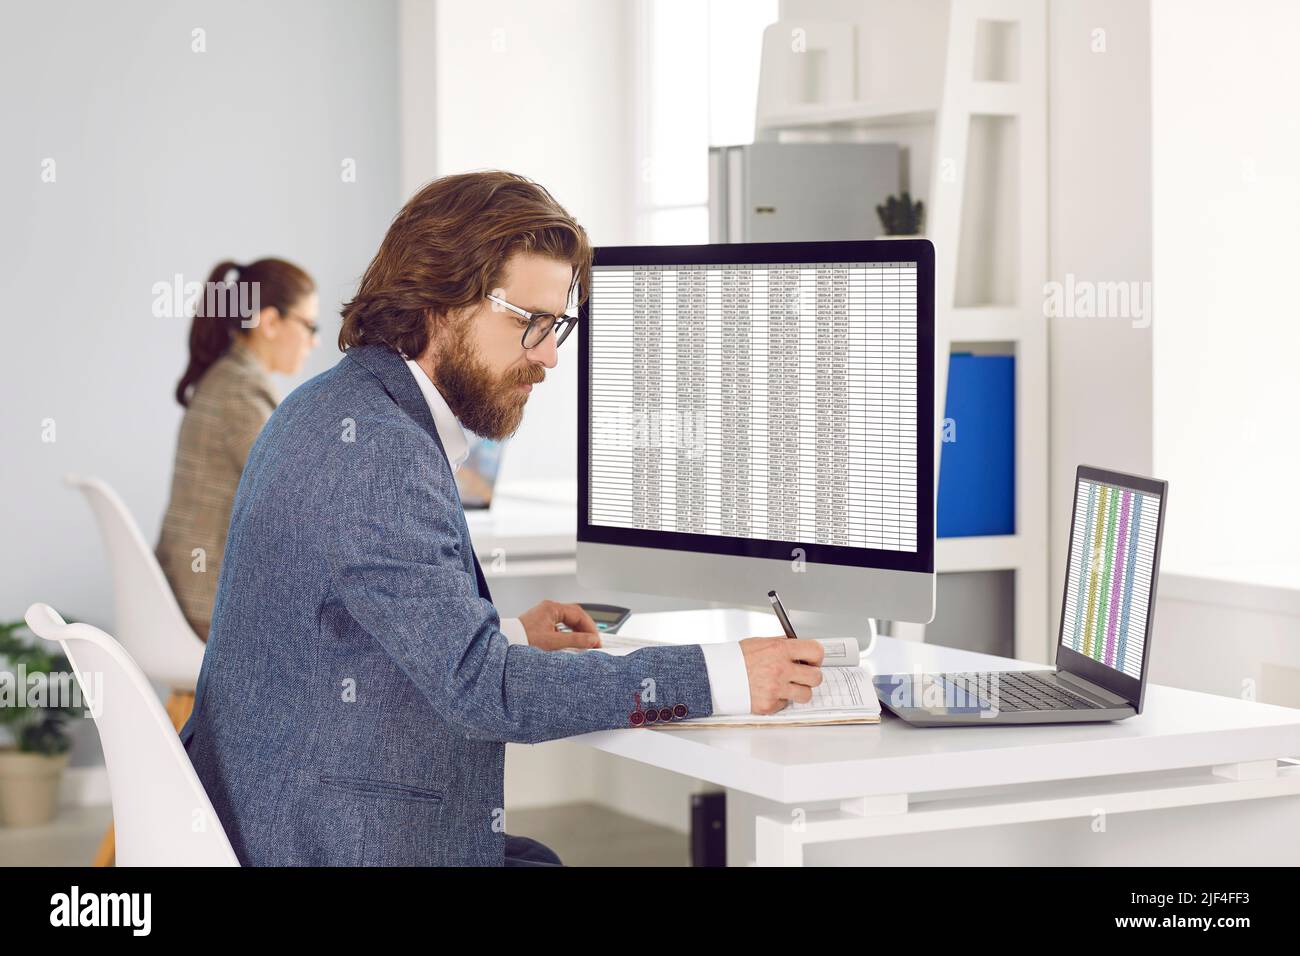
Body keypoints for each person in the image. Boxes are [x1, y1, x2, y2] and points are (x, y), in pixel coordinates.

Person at [180, 171, 825, 867]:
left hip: (282, 812)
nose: (549, 355)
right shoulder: (379, 452)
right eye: (531, 322)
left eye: (560, 327)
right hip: (323, 839)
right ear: (439, 302)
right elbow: (487, 694)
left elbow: (356, 632)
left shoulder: (332, 407)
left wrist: (510, 633)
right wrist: (722, 677)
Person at [157, 258, 318, 641]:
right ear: (270, 322)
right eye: (310, 326)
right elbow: (296, 494)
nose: (316, 341)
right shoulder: (240, 391)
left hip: (186, 595)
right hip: (206, 605)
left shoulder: (232, 378)